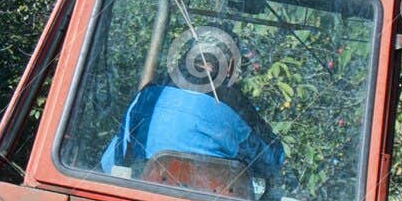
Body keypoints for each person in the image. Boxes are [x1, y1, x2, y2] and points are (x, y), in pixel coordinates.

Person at [100, 25, 284, 187]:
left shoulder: (149, 94)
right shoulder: (232, 103)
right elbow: (272, 160)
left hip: (146, 196)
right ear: (229, 67)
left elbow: (111, 161)